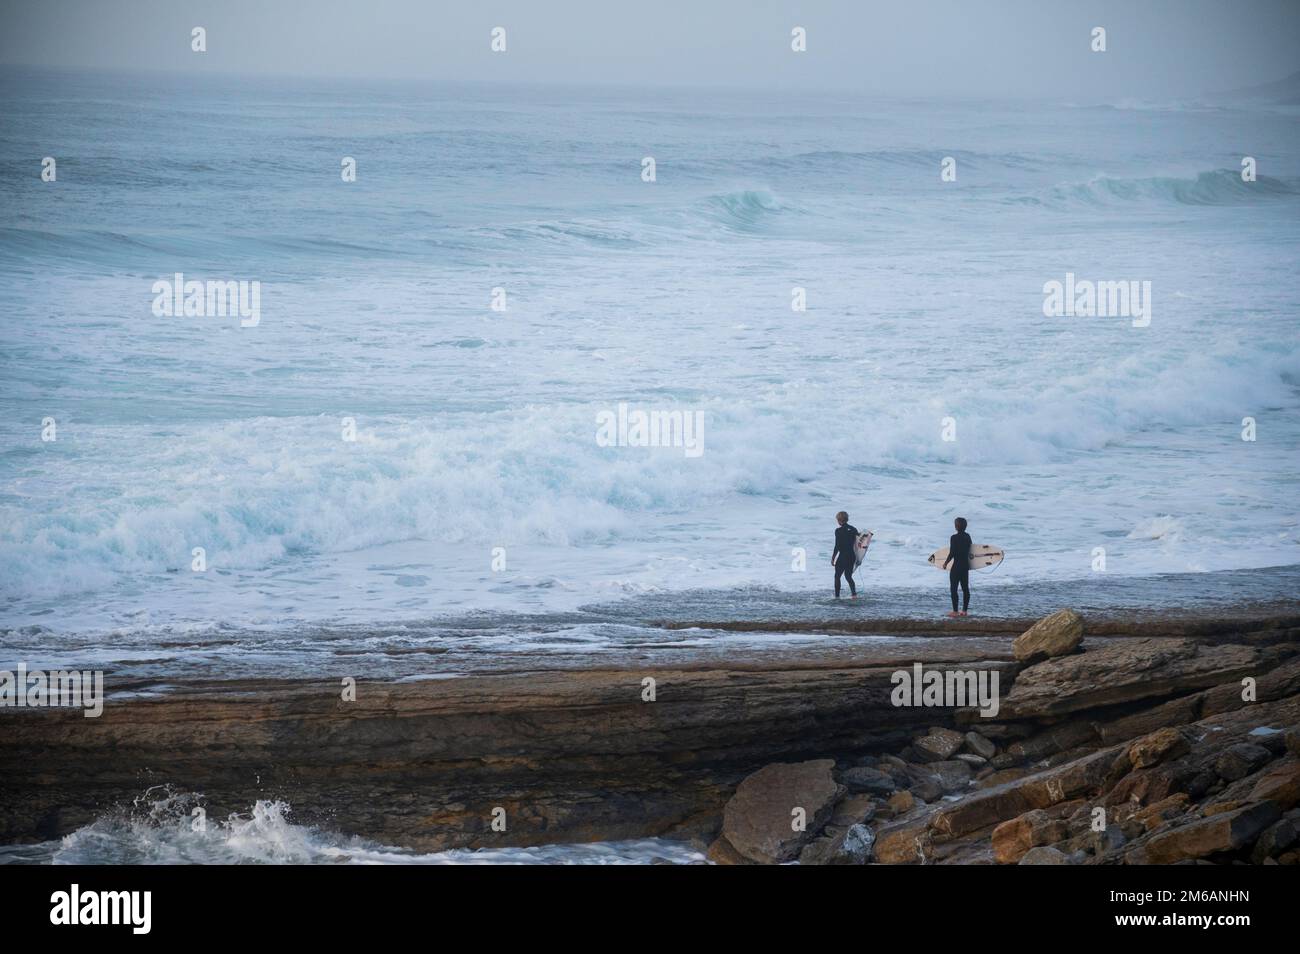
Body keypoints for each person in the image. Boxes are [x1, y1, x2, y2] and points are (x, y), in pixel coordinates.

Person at [942, 516, 972, 617]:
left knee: (953, 589)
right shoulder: (968, 536)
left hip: (956, 567)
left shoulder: (953, 538)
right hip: (965, 567)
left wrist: (946, 563)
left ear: (956, 526)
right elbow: (971, 549)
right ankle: (964, 611)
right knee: (965, 589)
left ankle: (955, 611)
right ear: (965, 526)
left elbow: (952, 553)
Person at [831, 511, 859, 599]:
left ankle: (837, 596)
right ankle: (854, 595)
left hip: (843, 556)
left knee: (837, 576)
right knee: (848, 576)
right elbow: (859, 543)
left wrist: (833, 558)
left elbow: (837, 546)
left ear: (839, 520)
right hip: (852, 556)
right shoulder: (854, 529)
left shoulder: (838, 531)